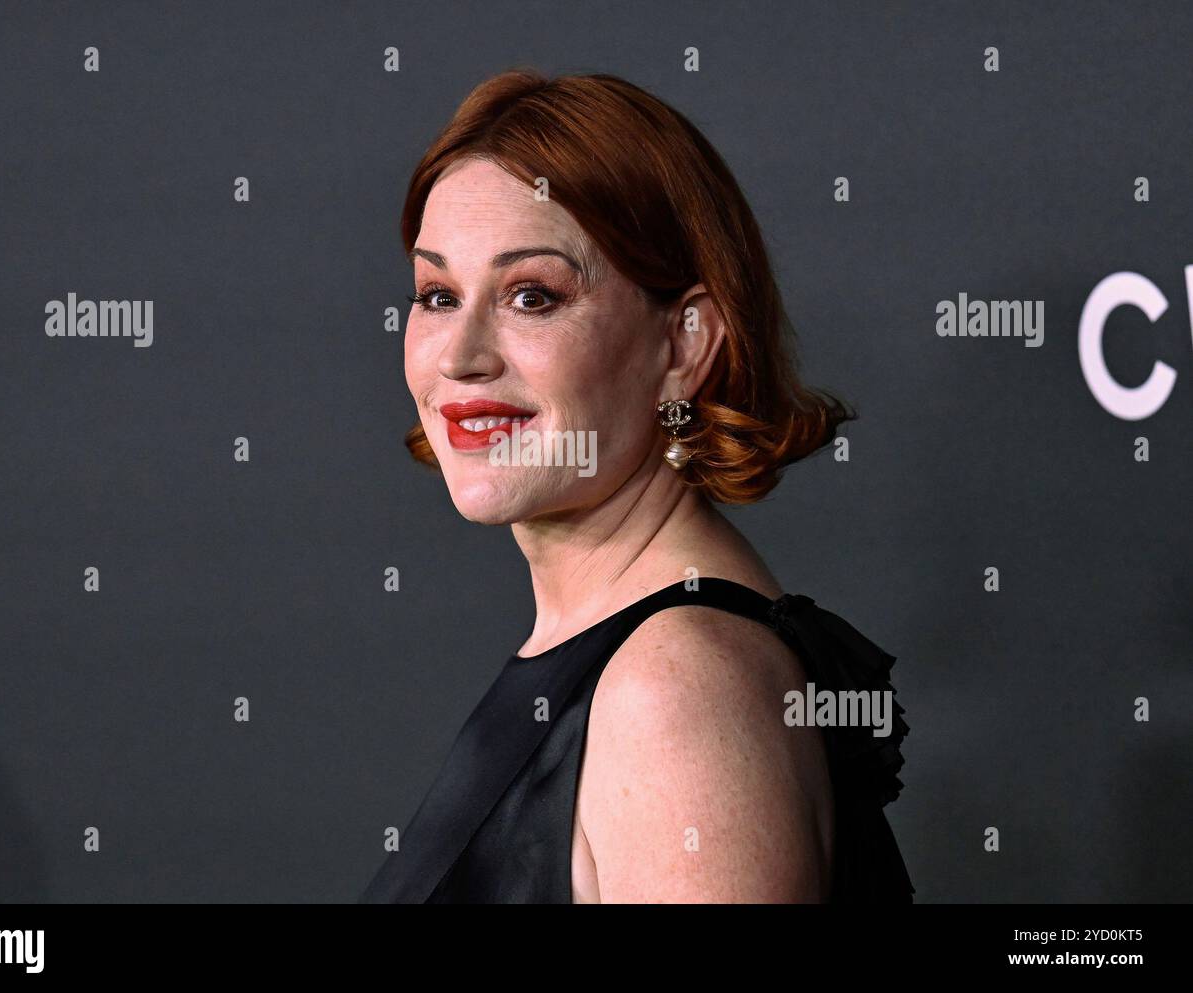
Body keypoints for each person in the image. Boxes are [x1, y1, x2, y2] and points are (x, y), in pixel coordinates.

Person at [360, 69, 914, 904]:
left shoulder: (674, 692)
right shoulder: (632, 654)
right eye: (438, 294)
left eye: (532, 295)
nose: (459, 355)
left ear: (686, 343)